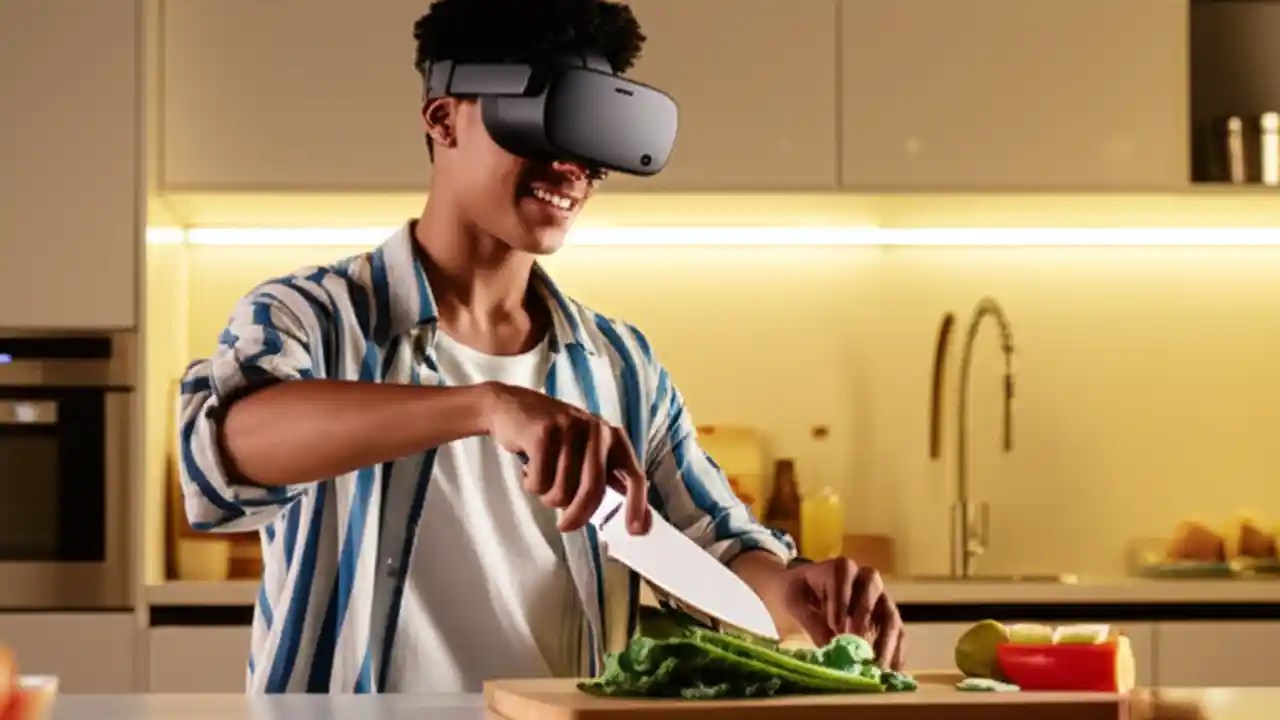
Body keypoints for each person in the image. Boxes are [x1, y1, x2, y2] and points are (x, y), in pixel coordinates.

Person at [176, 0, 904, 695]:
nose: (572, 169)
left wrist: (794, 589)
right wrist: (486, 406)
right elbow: (224, 462)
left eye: (592, 148)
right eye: (546, 126)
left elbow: (717, 554)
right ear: (443, 117)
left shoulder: (619, 365)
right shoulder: (313, 316)